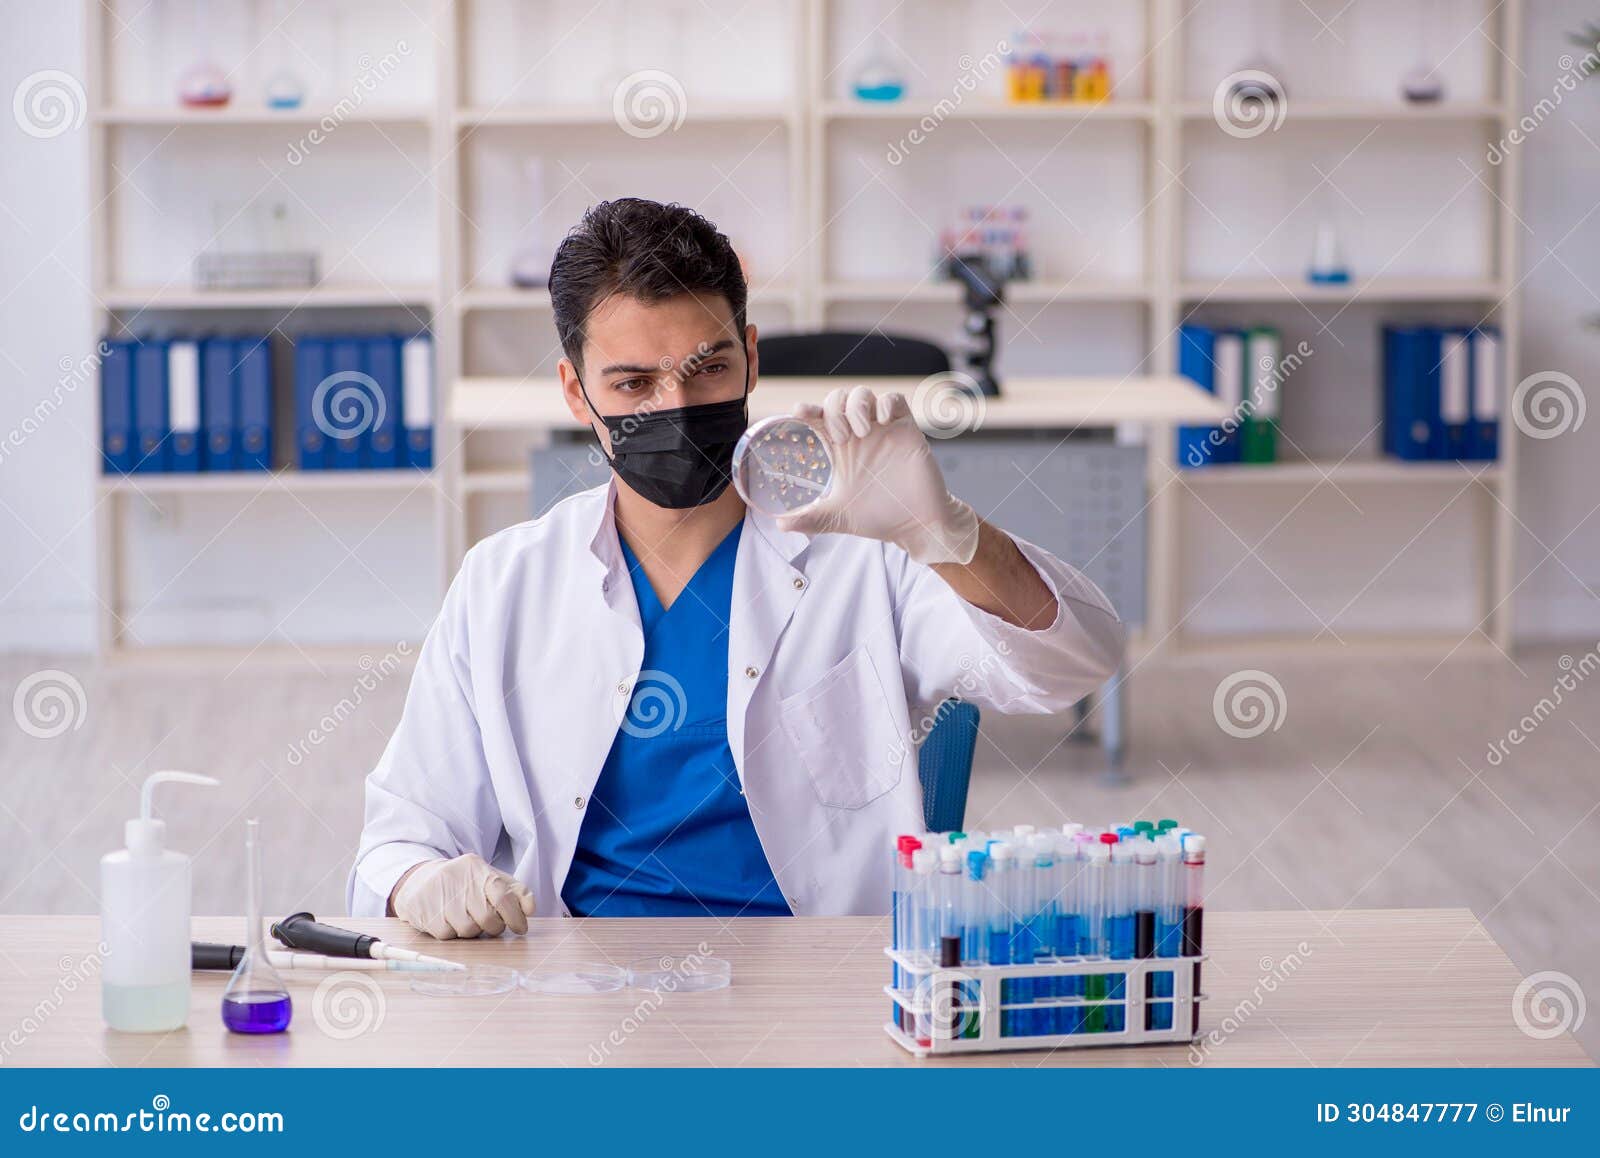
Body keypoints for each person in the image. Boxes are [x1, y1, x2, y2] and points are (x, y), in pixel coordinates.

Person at [348, 198, 1123, 937]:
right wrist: (418, 883)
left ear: (749, 360)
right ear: (577, 394)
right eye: (634, 384)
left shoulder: (868, 557)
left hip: (815, 989)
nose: (677, 405)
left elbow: (1073, 662)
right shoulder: (505, 584)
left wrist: (946, 535)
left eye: (706, 368)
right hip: (582, 981)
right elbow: (401, 835)